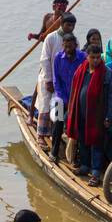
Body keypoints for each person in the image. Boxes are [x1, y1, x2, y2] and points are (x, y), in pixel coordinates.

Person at [65, 44, 112, 184]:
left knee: (96, 142)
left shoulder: (106, 73)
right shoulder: (81, 70)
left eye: (98, 57)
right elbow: (74, 90)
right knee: (83, 140)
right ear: (87, 56)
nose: (96, 60)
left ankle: (96, 173)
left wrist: (109, 116)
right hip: (81, 112)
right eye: (93, 57)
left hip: (97, 115)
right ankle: (85, 166)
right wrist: (71, 110)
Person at [36, 11, 76, 139]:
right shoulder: (51, 37)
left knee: (60, 109)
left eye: (72, 25)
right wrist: (48, 80)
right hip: (48, 77)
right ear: (62, 24)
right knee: (45, 106)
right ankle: (41, 136)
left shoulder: (74, 41)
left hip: (62, 81)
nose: (70, 28)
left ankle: (55, 136)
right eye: (68, 25)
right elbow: (44, 59)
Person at [50, 32, 86, 163]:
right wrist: (63, 98)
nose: (68, 50)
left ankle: (76, 156)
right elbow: (56, 80)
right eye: (66, 47)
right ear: (63, 46)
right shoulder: (58, 58)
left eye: (71, 47)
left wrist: (75, 99)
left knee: (78, 124)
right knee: (58, 121)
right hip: (62, 96)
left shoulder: (82, 57)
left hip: (77, 97)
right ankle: (54, 151)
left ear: (75, 45)